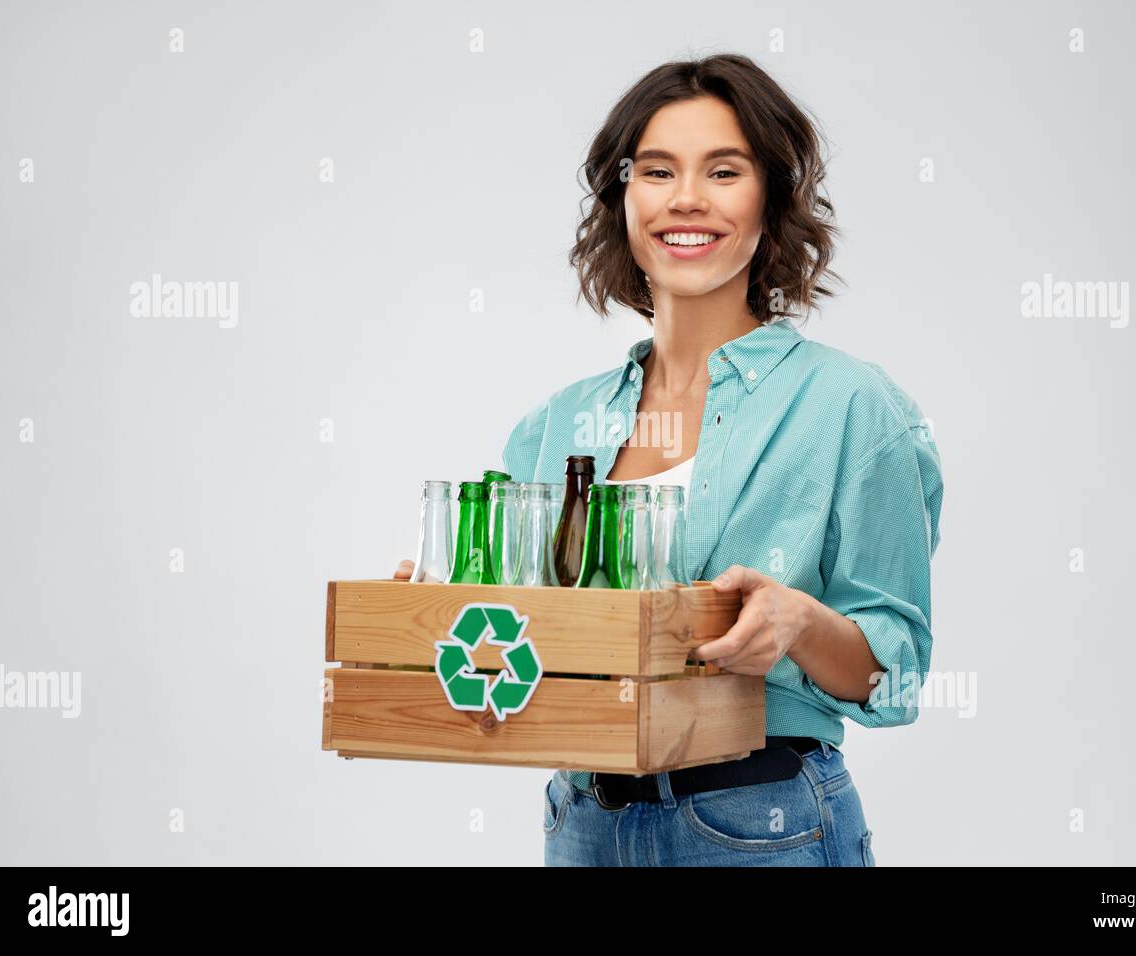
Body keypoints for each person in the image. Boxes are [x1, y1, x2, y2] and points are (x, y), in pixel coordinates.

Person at [397, 52, 943, 867]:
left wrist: (797, 621)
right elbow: (523, 627)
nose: (686, 198)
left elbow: (890, 677)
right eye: (657, 171)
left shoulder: (854, 408)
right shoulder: (559, 423)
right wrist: (434, 615)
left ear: (772, 197)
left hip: (760, 825)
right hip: (582, 824)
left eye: (723, 171)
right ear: (623, 197)